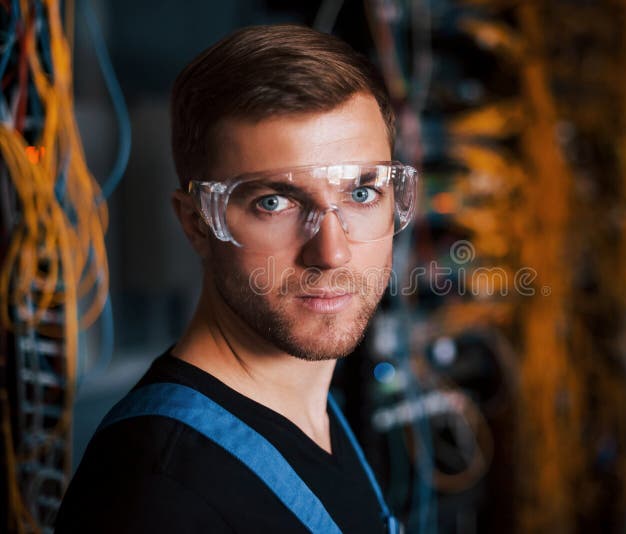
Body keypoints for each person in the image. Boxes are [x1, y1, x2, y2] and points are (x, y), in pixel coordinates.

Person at [55, 24, 417, 533]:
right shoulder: (160, 498)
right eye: (274, 202)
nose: (332, 253)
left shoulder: (315, 409)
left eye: (362, 194)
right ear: (197, 224)